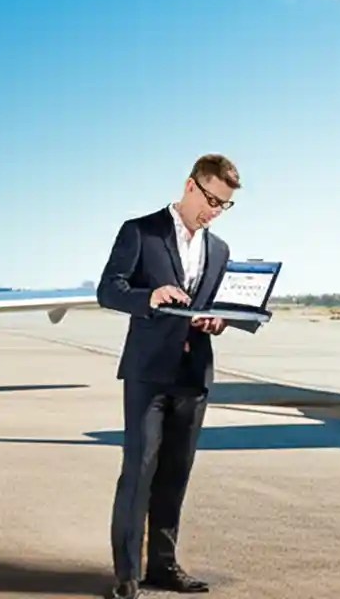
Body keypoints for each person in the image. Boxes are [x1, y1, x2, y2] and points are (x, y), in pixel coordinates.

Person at [96, 154, 242, 598]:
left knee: (176, 474)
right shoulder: (140, 231)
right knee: (138, 471)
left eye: (224, 205)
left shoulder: (219, 250)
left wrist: (219, 321)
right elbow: (109, 290)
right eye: (212, 199)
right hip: (148, 373)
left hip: (193, 373)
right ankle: (127, 575)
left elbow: (211, 305)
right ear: (191, 185)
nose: (214, 210)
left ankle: (163, 566)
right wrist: (150, 295)